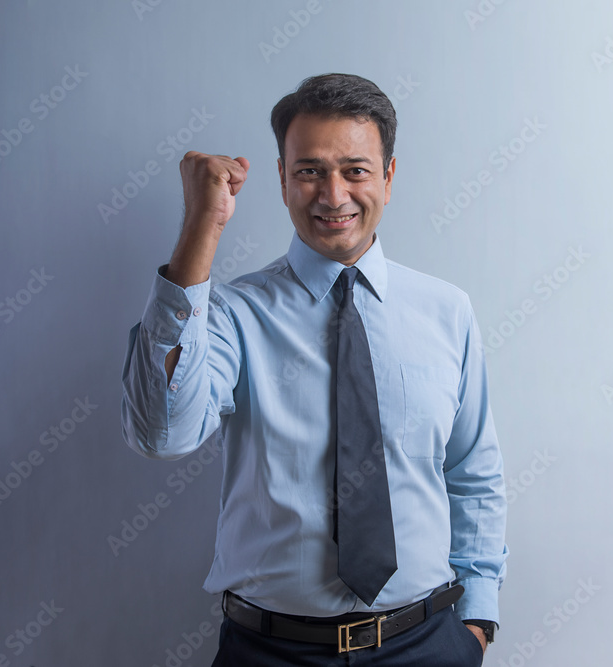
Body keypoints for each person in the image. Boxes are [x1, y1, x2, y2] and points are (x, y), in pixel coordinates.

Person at [121, 73, 508, 666]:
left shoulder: (447, 311)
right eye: (309, 171)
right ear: (281, 179)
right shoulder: (229, 312)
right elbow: (161, 434)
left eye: (355, 169)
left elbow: (472, 469)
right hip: (272, 650)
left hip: (425, 644)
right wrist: (204, 224)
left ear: (389, 176)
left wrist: (476, 622)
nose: (332, 195)